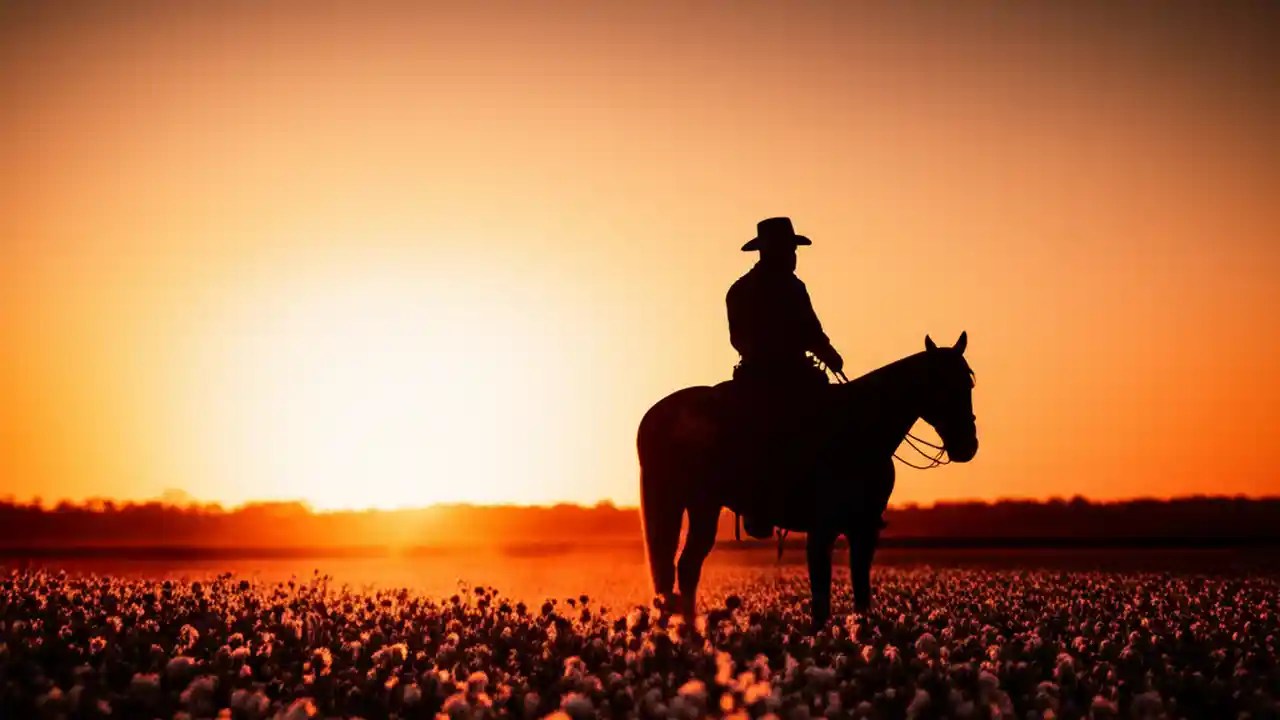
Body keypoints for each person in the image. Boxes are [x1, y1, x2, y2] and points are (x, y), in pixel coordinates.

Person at [726, 216, 844, 539]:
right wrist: (780, 355)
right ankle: (761, 502)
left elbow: (812, 331)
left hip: (786, 372)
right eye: (789, 249)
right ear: (771, 252)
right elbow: (743, 338)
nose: (793, 256)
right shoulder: (748, 291)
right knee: (766, 429)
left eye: (794, 249)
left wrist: (829, 355)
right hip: (763, 376)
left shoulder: (783, 288)